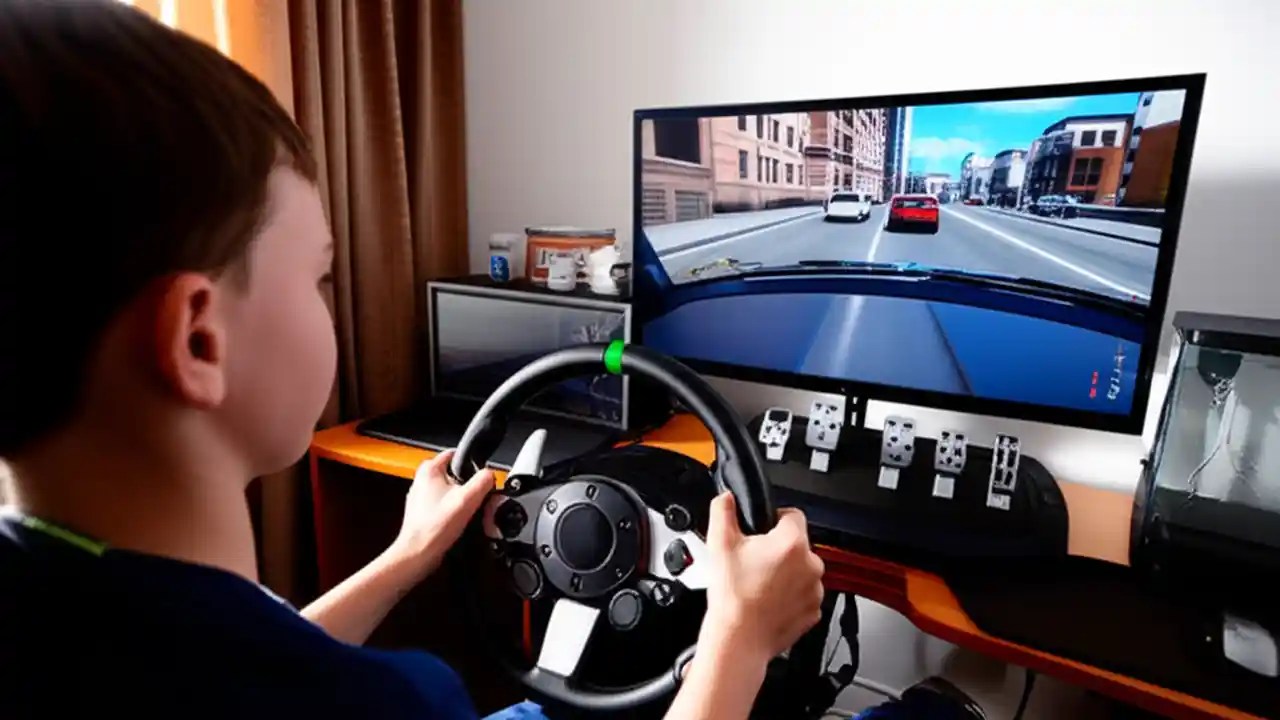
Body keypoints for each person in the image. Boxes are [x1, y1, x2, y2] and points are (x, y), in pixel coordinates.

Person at [0, 2, 826, 718]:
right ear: (198, 340)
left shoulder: (58, 601)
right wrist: (739, 640)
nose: (331, 294)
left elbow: (245, 673)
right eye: (319, 275)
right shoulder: (390, 702)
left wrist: (406, 556)